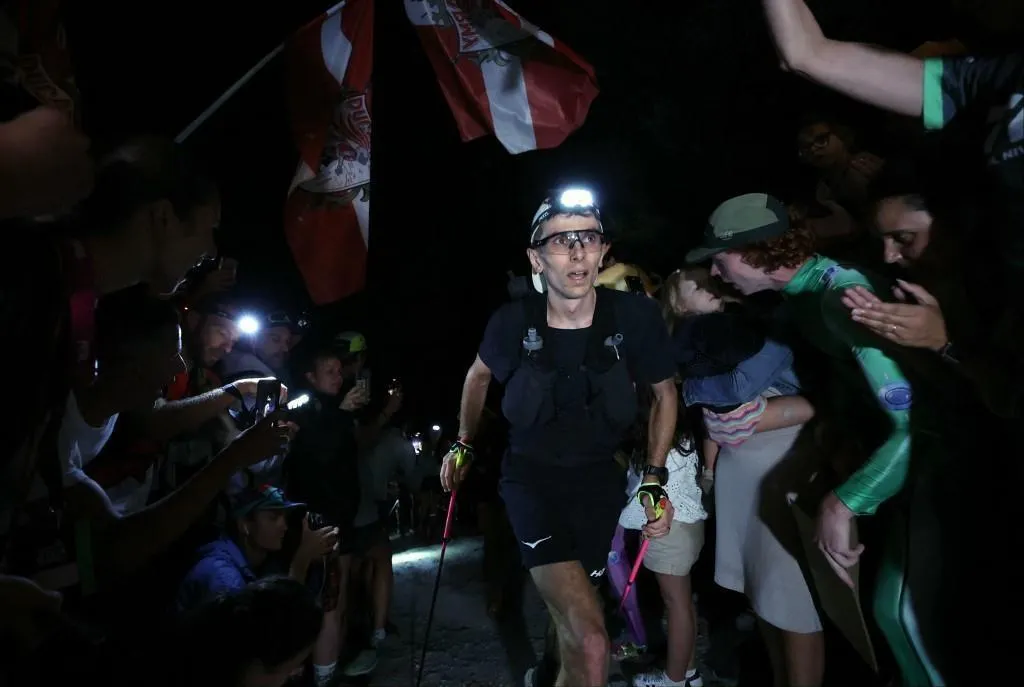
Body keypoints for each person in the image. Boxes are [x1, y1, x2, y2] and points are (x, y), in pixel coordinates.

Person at [688, 192, 953, 686]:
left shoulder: (841, 297)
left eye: (720, 260)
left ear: (754, 252)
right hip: (881, 465)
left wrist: (845, 503)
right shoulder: (802, 296)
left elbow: (915, 420)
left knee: (904, 618)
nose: (718, 274)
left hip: (936, 471)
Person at [441, 188, 679, 687]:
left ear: (603, 251)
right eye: (561, 240)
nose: (577, 252)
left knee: (571, 624)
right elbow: (478, 375)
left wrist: (655, 479)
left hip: (599, 484)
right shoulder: (512, 323)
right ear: (536, 258)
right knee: (594, 640)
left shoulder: (635, 318)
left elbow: (664, 393)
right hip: (533, 484)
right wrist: (463, 440)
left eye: (588, 238)